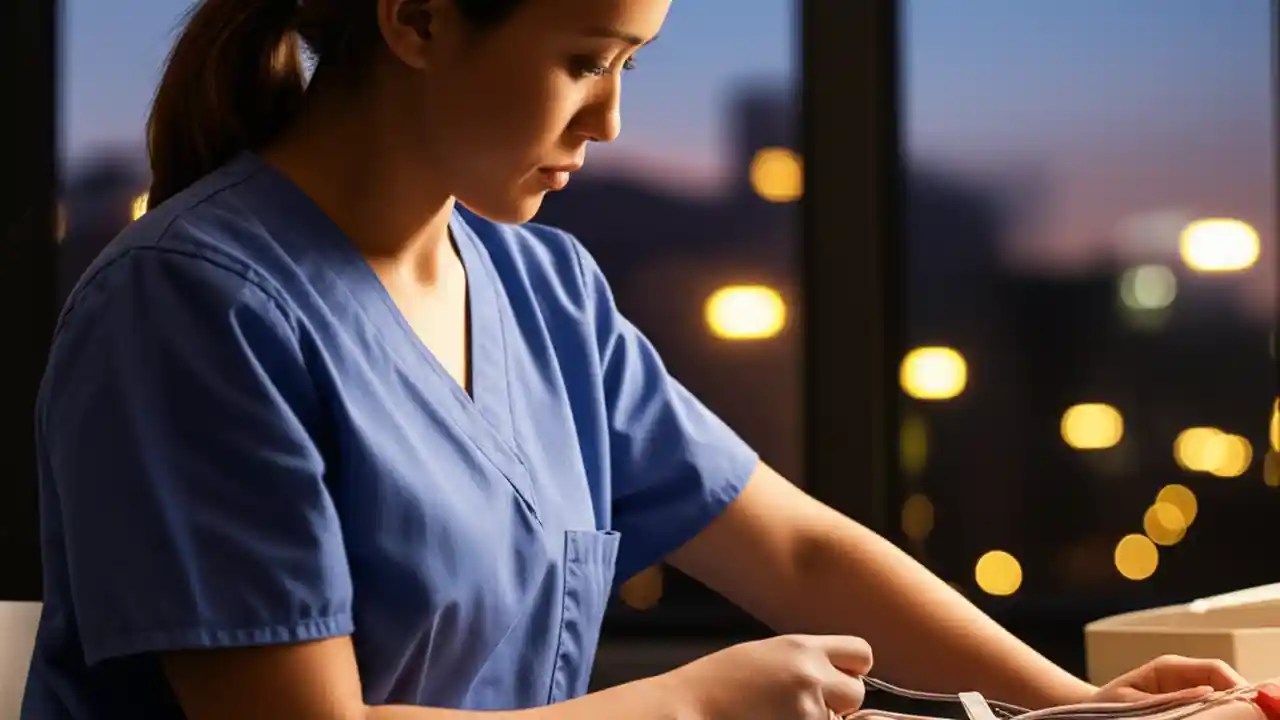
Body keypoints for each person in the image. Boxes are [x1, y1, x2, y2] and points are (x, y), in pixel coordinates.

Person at [21, 0, 1248, 718]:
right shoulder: (196, 308)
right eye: (582, 60)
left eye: (631, 66)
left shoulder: (542, 290)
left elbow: (794, 548)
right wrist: (694, 703)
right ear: (412, 16)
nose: (610, 120)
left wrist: (1066, 712)